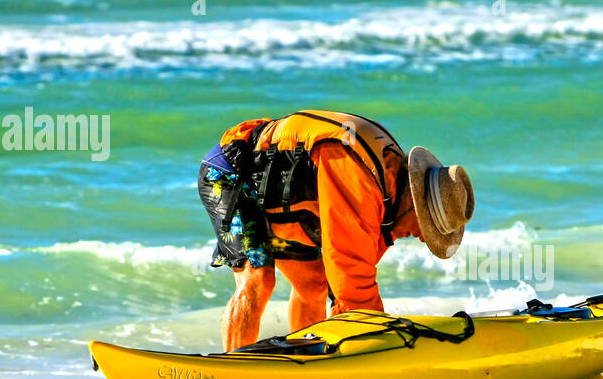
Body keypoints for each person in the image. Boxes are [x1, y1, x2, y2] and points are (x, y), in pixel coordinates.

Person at [198, 110, 475, 351]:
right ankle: (233, 370)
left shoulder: (388, 186)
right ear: (414, 202)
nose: (423, 237)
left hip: (283, 194)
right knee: (257, 280)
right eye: (426, 226)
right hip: (233, 169)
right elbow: (350, 275)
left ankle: (308, 366)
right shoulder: (359, 176)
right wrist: (379, 340)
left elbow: (347, 279)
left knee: (313, 285)